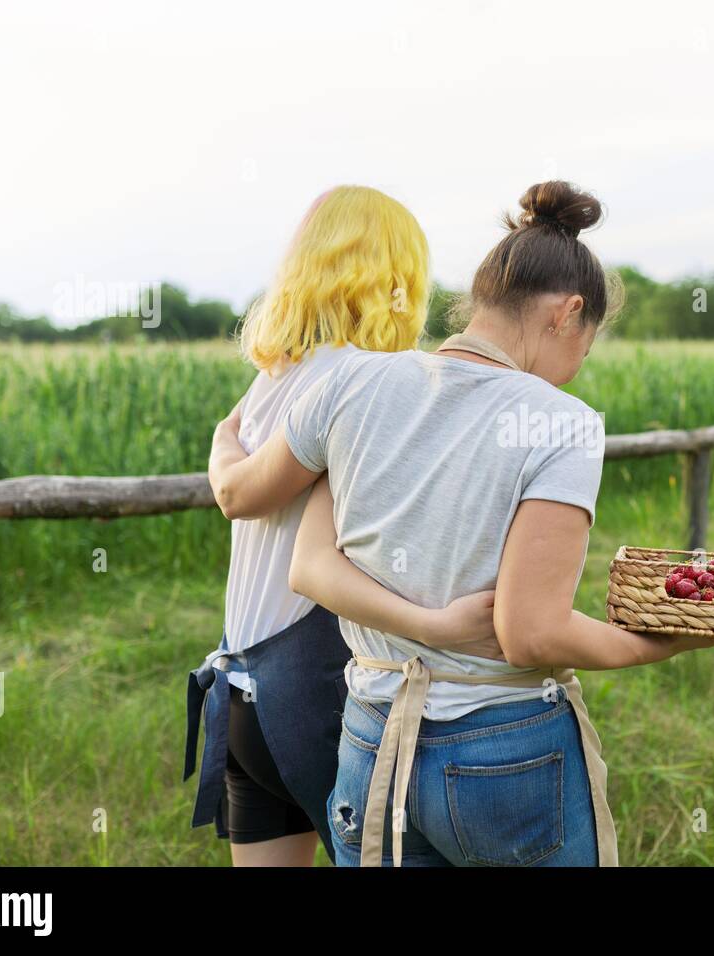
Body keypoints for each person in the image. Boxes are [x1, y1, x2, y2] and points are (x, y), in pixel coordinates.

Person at [208, 181, 714, 866]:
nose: (574, 372)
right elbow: (530, 631)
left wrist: (424, 625)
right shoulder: (562, 423)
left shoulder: (348, 384)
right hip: (501, 749)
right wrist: (650, 646)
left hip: (370, 739)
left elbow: (309, 566)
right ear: (569, 313)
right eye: (586, 347)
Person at [189, 185, 495, 866]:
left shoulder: (272, 376)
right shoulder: (368, 381)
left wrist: (218, 450)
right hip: (322, 692)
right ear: (396, 277)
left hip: (243, 693)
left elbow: (233, 477)